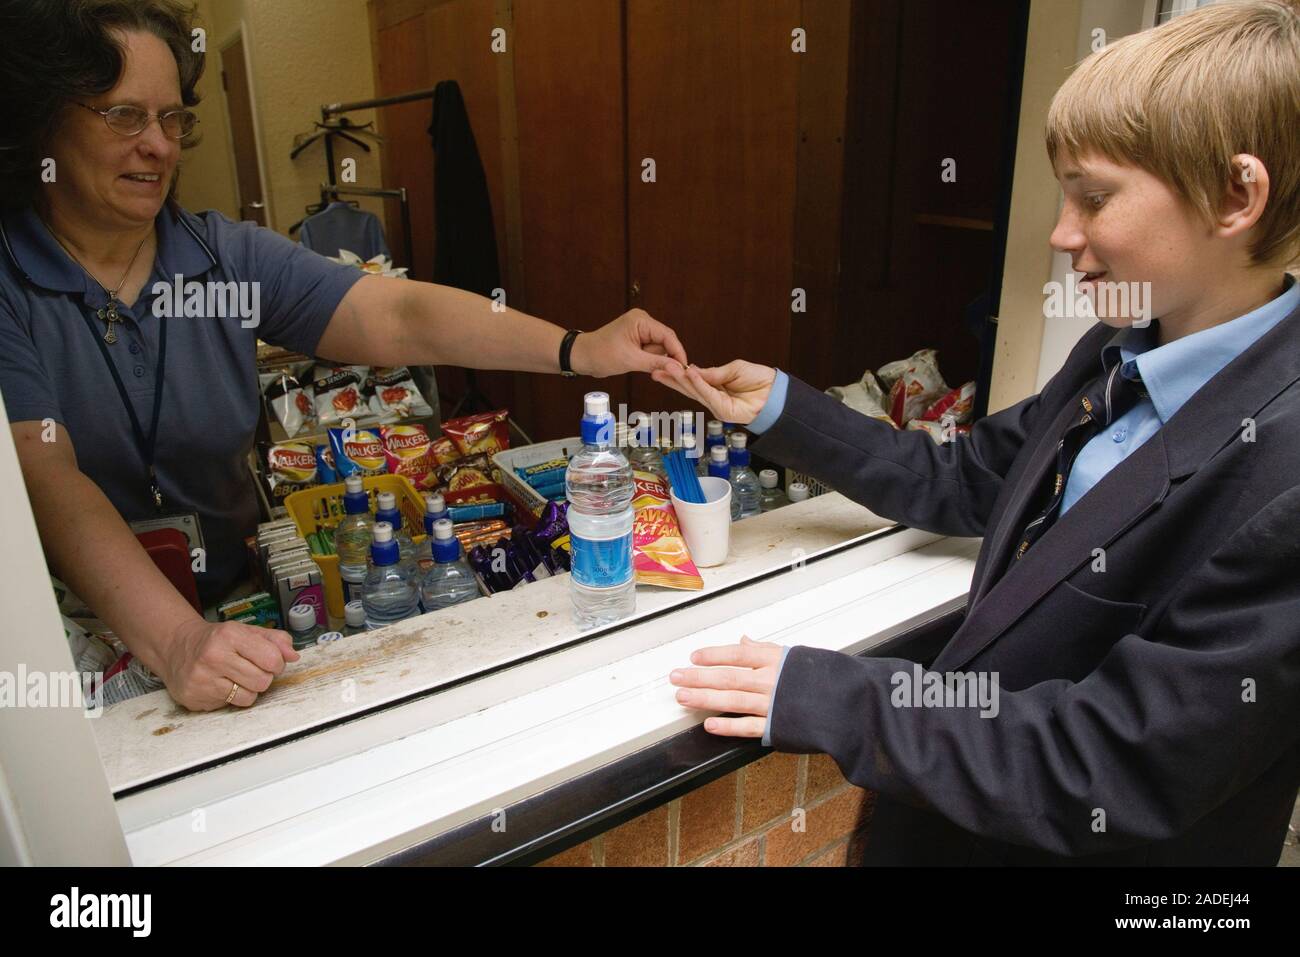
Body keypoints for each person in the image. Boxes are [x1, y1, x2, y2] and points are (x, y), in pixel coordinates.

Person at [658, 0, 1300, 865]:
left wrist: (843, 699)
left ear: (1235, 195)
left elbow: (1116, 760)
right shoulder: (1116, 349)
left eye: (1095, 197)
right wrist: (781, 404)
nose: (1062, 233)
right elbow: (962, 480)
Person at [0, 0, 687, 711]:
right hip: (83, 634)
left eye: (173, 119)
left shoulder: (223, 258)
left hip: (234, 610)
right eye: (124, 116)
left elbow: (397, 313)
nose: (160, 146)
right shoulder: (10, 280)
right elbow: (48, 477)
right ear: (46, 116)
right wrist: (175, 641)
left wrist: (577, 348)